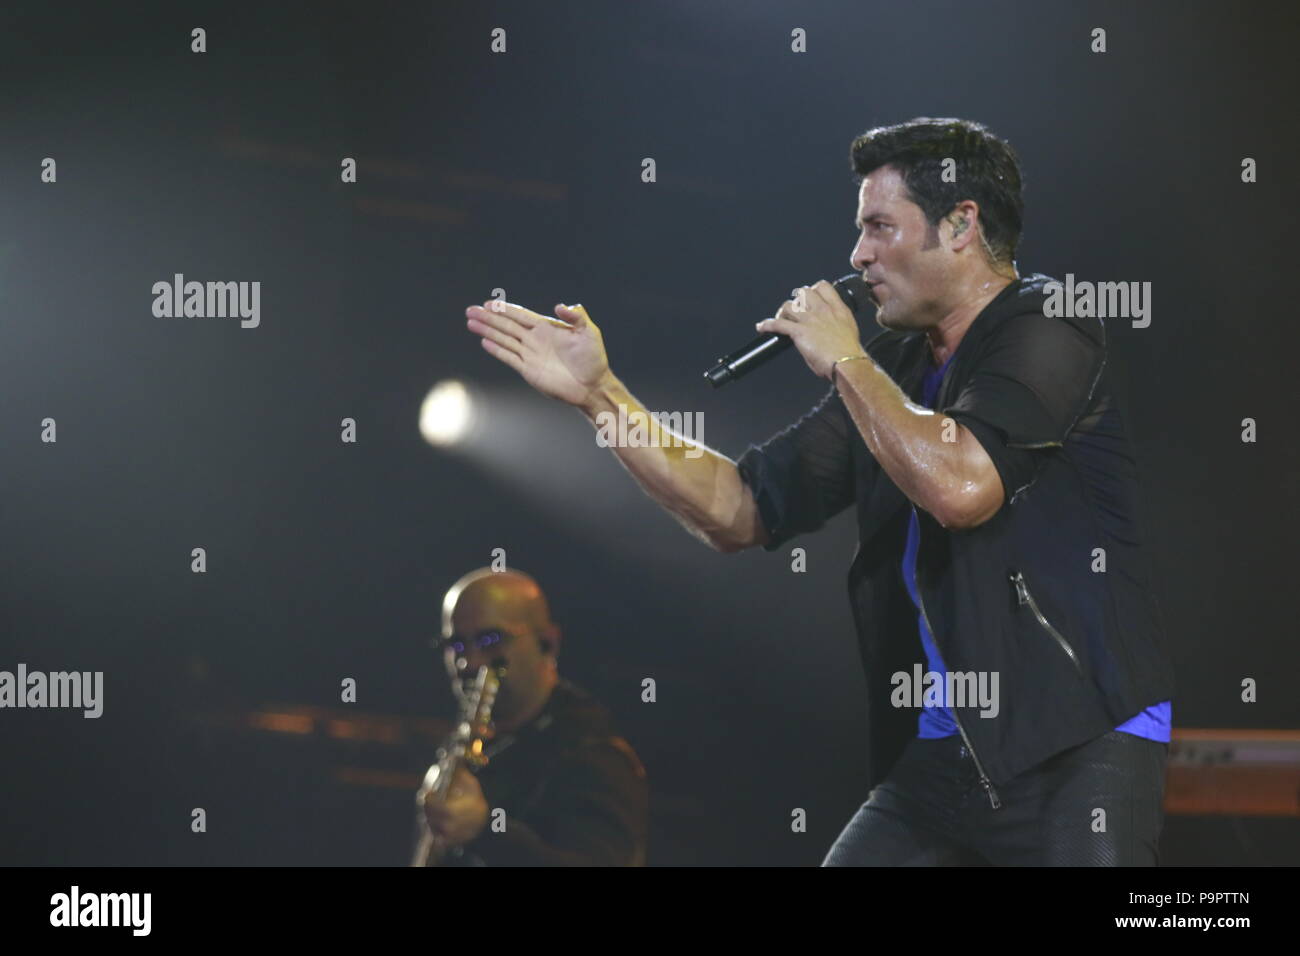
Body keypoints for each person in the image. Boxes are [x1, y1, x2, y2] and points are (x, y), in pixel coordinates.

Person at [463, 117, 1177, 866]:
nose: (858, 255)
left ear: (961, 225)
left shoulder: (1051, 323)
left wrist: (845, 360)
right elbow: (737, 508)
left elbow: (963, 487)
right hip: (945, 753)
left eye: (880, 227)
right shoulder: (894, 367)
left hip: (1078, 740)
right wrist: (601, 396)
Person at [416, 568, 647, 866]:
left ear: (547, 642)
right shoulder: (476, 746)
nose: (469, 662)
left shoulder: (593, 753)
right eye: (456, 645)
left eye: (490, 640)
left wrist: (484, 833)